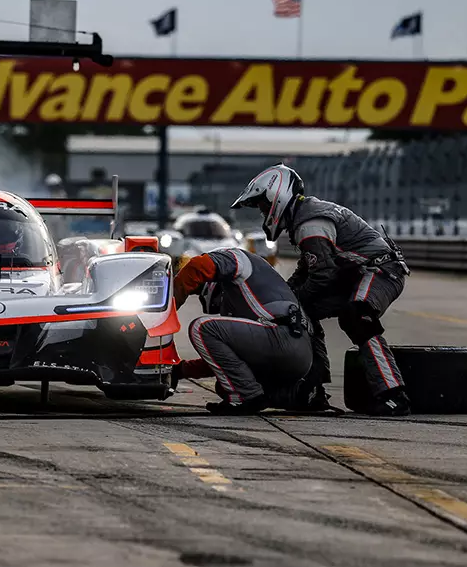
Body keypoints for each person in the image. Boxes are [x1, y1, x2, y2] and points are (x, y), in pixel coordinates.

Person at [231, 163, 412, 416]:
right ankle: (314, 389)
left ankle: (394, 395)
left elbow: (322, 275)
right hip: (354, 275)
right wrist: (286, 300)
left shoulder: (310, 223)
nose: (262, 212)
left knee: (357, 316)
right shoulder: (304, 216)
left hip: (381, 272)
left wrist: (292, 301)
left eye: (262, 204)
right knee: (302, 312)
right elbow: (307, 270)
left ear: (276, 195)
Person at [169, 246, 316, 414]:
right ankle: (297, 394)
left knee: (202, 328)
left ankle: (246, 396)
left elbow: (197, 267)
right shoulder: (254, 286)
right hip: (299, 354)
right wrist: (181, 370)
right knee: (227, 384)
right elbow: (224, 361)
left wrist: (169, 307)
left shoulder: (237, 258)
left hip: (279, 337)